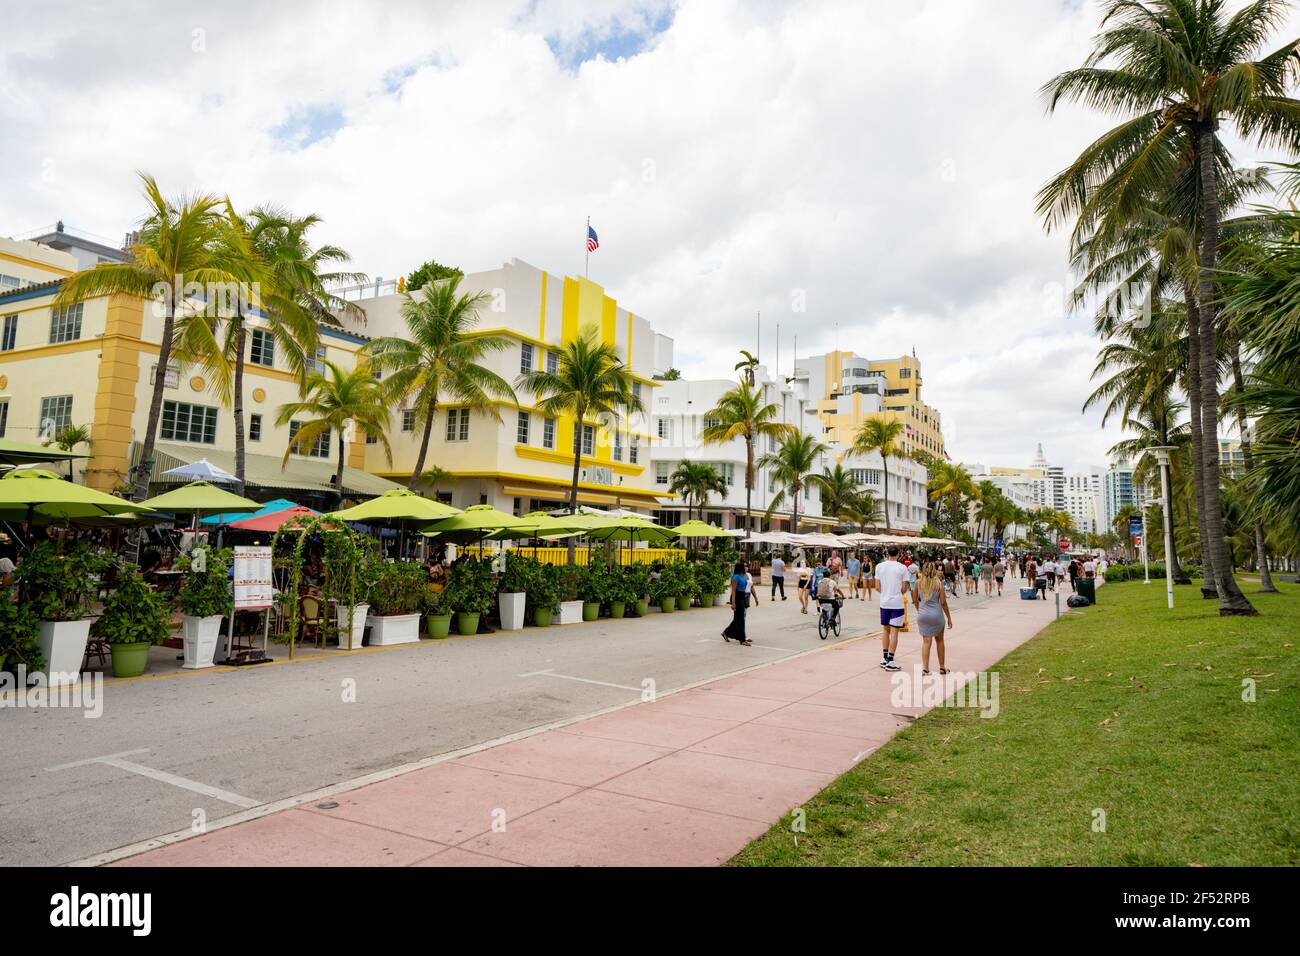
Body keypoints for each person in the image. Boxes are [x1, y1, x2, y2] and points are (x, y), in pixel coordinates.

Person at [912, 562, 954, 675]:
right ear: (934, 571)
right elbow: (943, 603)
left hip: (923, 615)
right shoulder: (938, 583)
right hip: (937, 615)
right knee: (940, 641)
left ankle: (925, 669)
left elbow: (915, 600)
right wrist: (949, 618)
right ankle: (942, 667)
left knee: (926, 642)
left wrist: (919, 610)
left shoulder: (918, 583)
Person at [875, 547, 909, 672]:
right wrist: (896, 591)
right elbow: (904, 589)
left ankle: (884, 658)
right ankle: (891, 660)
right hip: (897, 603)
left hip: (884, 602)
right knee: (894, 632)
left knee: (885, 630)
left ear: (887, 553)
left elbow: (877, 587)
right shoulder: (902, 568)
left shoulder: (879, 566)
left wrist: (886, 592)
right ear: (899, 554)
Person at [722, 561, 752, 646]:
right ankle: (742, 640)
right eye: (744, 567)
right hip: (737, 597)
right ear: (740, 568)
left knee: (737, 619)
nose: (745, 568)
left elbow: (747, 581)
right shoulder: (735, 577)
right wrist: (733, 603)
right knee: (741, 619)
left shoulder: (743, 575)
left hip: (743, 596)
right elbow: (734, 591)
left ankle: (726, 633)